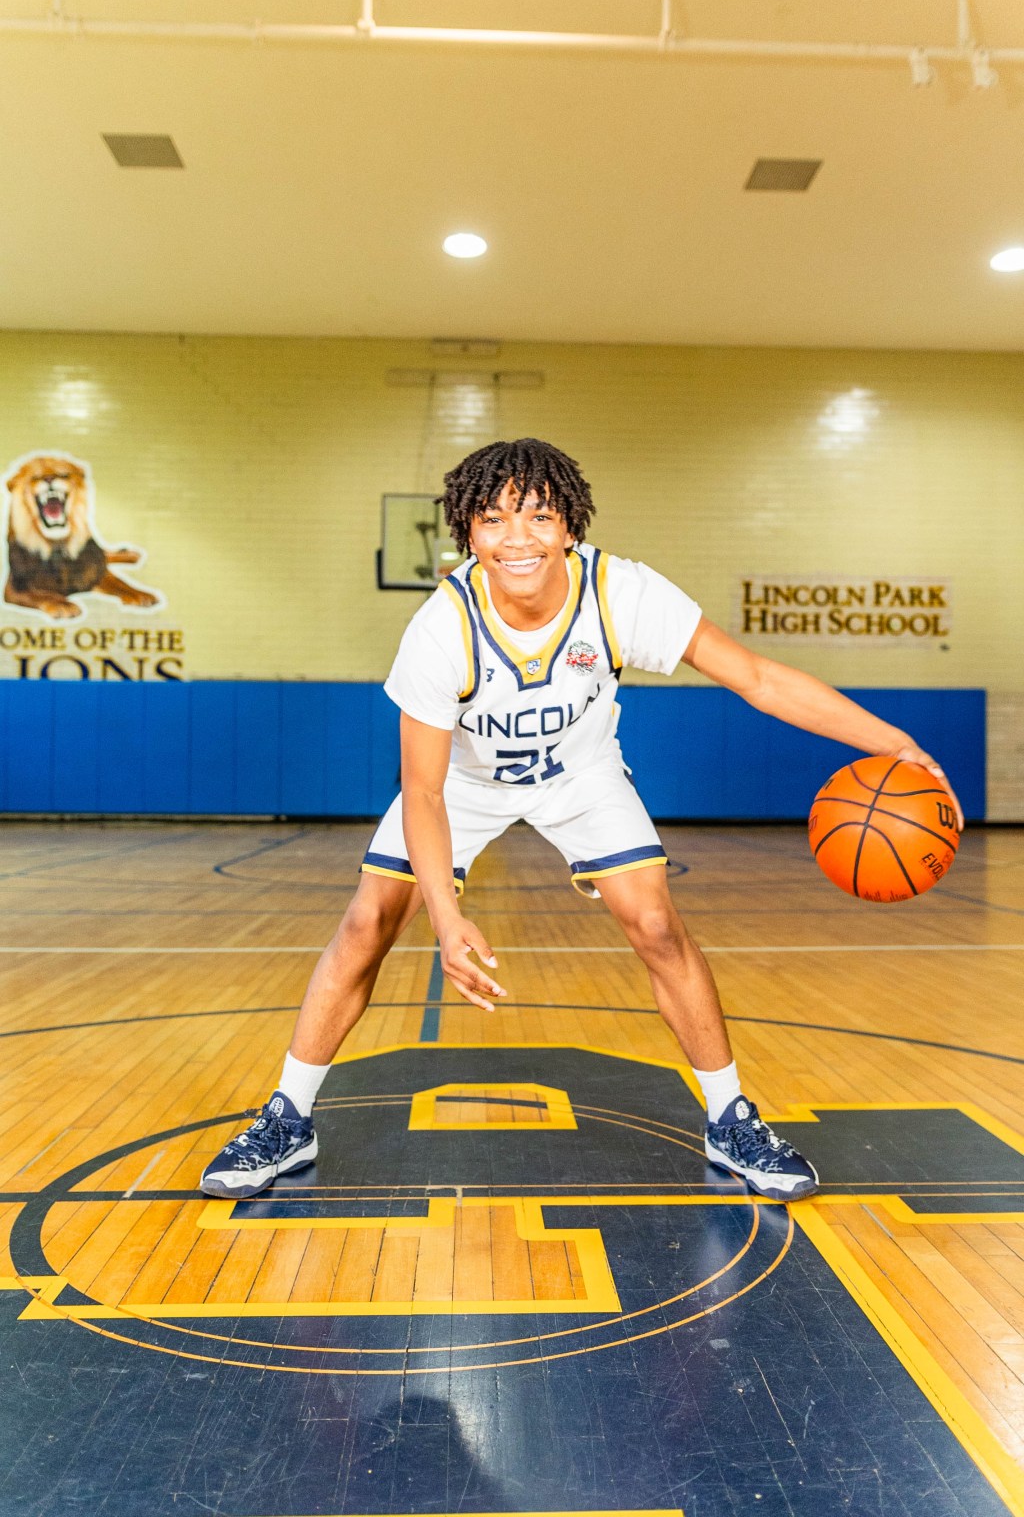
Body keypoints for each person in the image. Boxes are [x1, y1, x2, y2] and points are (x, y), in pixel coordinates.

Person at [201, 438, 963, 1204]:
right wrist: (447, 915)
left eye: (538, 514)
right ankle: (288, 1118)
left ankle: (729, 1117)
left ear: (570, 524)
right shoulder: (442, 629)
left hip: (582, 774)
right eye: (494, 519)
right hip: (464, 786)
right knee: (368, 921)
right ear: (468, 533)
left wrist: (894, 742)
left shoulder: (621, 594)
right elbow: (424, 792)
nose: (517, 537)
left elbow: (757, 679)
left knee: (658, 925)